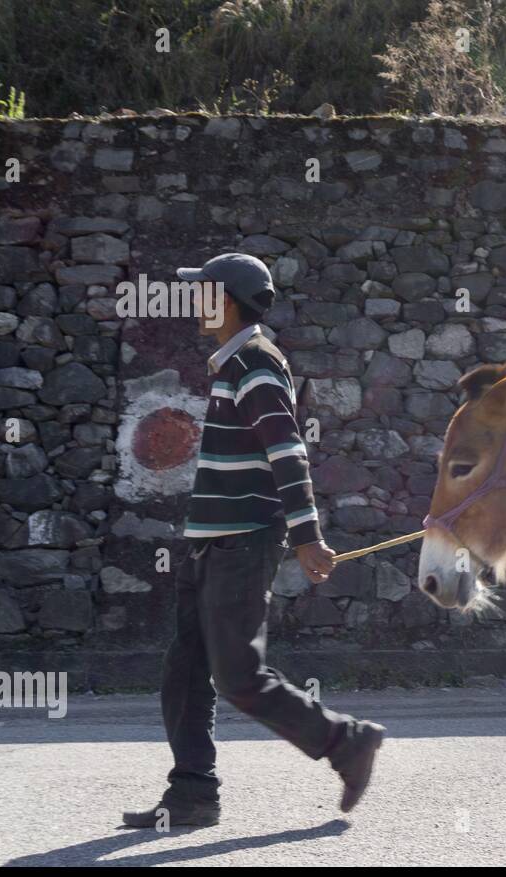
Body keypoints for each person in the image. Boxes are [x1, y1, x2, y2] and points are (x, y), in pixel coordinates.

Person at [123, 253, 384, 828]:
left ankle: (346, 743)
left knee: (238, 675)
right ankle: (192, 794)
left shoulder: (256, 363)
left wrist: (307, 536)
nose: (194, 300)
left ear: (229, 299)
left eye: (203, 291)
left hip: (243, 542)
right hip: (210, 542)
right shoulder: (232, 363)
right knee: (185, 670)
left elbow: (287, 452)